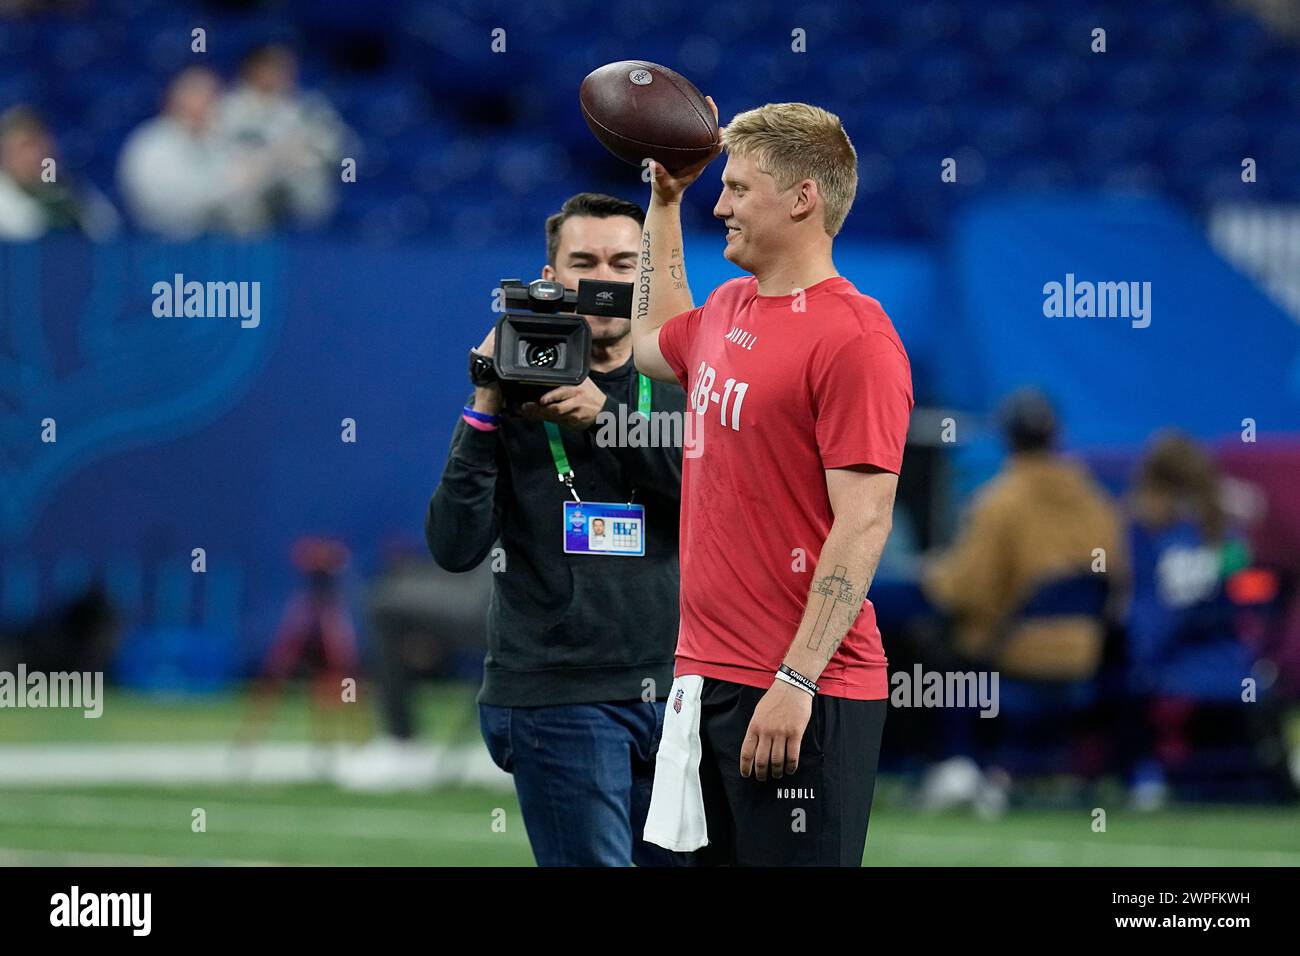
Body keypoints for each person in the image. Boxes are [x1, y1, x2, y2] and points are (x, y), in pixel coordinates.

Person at [631, 101, 914, 866]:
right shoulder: (727, 306)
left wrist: (796, 679)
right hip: (708, 679)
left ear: (802, 198)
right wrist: (664, 203)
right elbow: (651, 343)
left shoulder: (856, 339)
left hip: (803, 688)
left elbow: (864, 522)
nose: (719, 204)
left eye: (737, 188)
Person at [426, 192, 689, 866]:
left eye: (625, 261)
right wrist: (484, 407)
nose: (605, 276)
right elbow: (455, 546)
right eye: (584, 261)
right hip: (559, 690)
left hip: (676, 691)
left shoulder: (682, 375)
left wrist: (603, 417)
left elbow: (711, 496)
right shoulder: (517, 384)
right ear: (551, 277)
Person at [919, 388, 1124, 813]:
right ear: (1057, 435)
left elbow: (965, 590)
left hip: (1016, 657)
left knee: (932, 645)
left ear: (1006, 437)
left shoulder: (1000, 503)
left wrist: (933, 573)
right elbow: (1117, 583)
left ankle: (957, 765)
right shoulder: (1097, 502)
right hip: (1084, 656)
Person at [117, 67, 274, 238]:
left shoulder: (215, 141)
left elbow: (241, 205)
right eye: (204, 95)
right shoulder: (151, 143)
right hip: (162, 245)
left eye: (214, 95)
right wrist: (229, 186)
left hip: (216, 243)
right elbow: (163, 204)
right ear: (179, 99)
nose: (213, 103)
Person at [214, 44, 351, 230]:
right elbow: (218, 151)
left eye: (286, 68)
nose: (283, 74)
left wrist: (305, 152)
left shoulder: (308, 107)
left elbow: (341, 150)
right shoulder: (228, 109)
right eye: (274, 67)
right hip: (246, 199)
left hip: (300, 195)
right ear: (254, 69)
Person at [0, 105, 118, 241]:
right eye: (25, 146)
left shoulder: (69, 188)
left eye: (41, 144)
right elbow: (24, 235)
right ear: (4, 154)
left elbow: (108, 230)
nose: (36, 155)